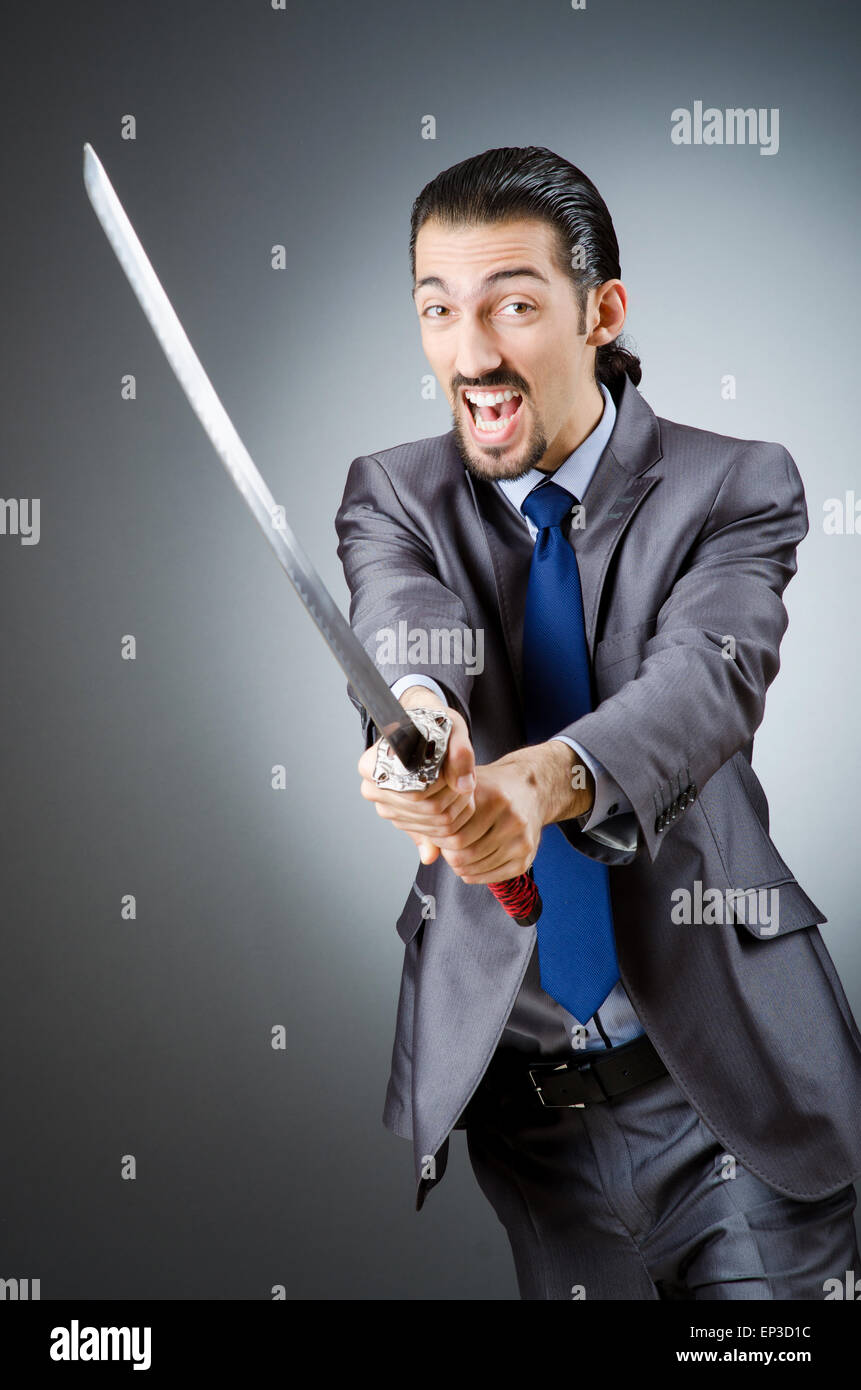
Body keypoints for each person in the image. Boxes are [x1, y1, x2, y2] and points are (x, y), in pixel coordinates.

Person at [334, 146, 861, 1300]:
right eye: (439, 309)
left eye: (514, 305)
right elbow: (405, 632)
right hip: (533, 1135)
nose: (472, 352)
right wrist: (419, 737)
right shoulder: (392, 493)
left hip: (734, 1104)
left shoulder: (737, 486)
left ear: (600, 310)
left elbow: (703, 683)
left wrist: (541, 783)